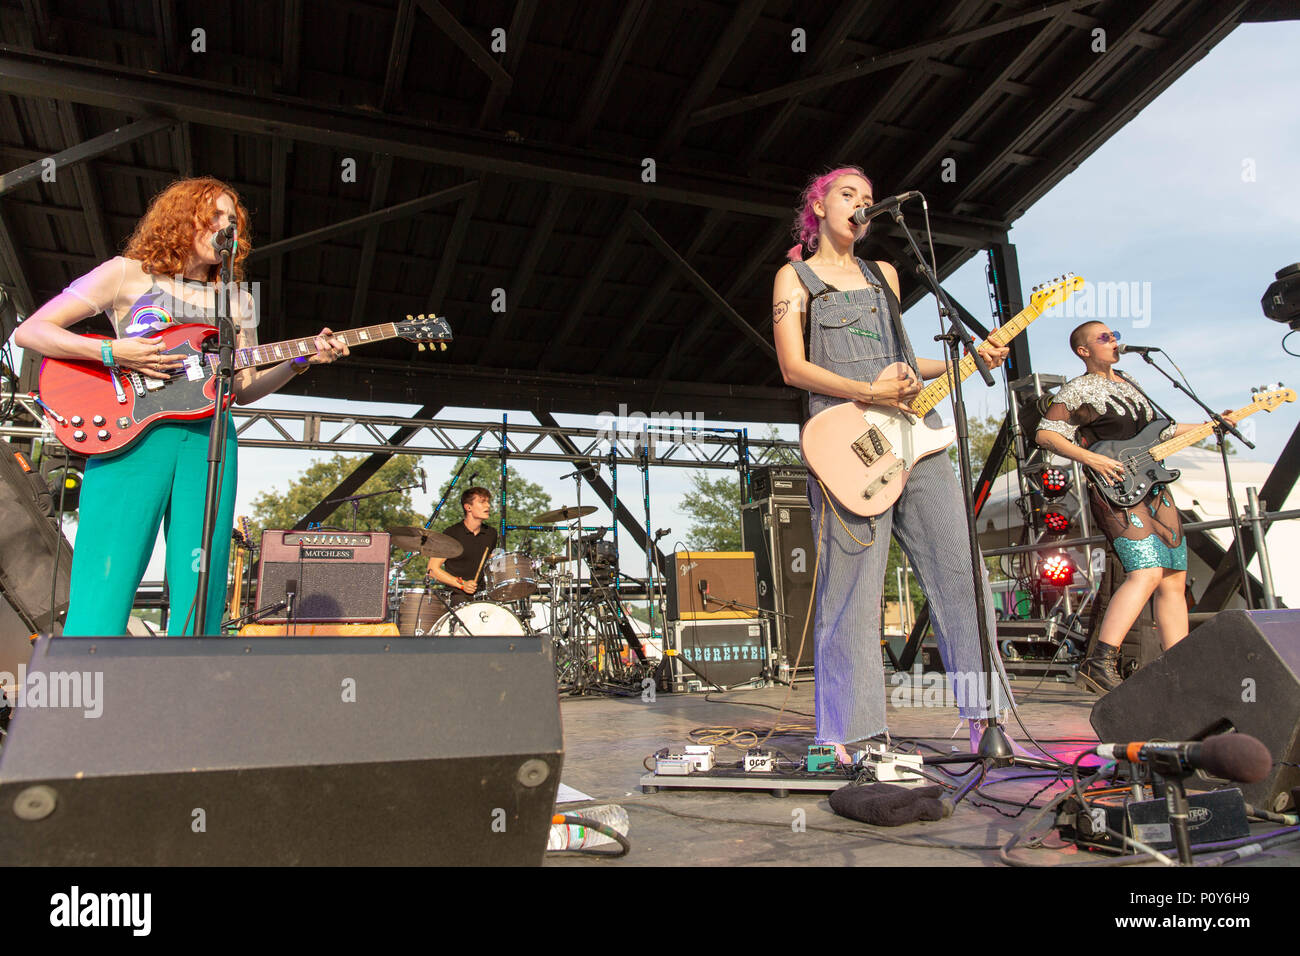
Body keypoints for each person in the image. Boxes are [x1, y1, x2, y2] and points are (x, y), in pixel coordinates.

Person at [15, 176, 348, 635]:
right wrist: (114, 351)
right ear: (180, 217)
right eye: (215, 216)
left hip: (210, 439)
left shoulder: (238, 299)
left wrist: (300, 360)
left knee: (203, 578)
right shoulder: (125, 273)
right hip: (131, 438)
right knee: (108, 571)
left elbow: (245, 388)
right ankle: (85, 686)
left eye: (233, 220)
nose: (226, 227)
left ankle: (191, 684)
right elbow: (31, 331)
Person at [771, 166, 1012, 757]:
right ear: (819, 206)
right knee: (853, 589)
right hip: (848, 444)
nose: (861, 204)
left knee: (962, 572)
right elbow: (793, 369)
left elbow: (904, 358)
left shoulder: (885, 275)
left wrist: (966, 357)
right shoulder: (793, 278)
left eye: (869, 198)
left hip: (917, 438)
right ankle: (849, 733)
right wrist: (869, 394)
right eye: (847, 195)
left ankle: (989, 720)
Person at [1035, 321, 1232, 693]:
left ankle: (1181, 669)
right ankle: (1099, 662)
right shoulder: (1079, 389)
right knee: (1145, 572)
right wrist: (1090, 460)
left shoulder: (1131, 382)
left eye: (1114, 335)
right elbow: (1045, 433)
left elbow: (1165, 431)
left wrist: (1212, 425)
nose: (1114, 341)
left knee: (1173, 576)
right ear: (1084, 351)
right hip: (1115, 486)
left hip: (1153, 485)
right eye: (1103, 338)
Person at [427, 487, 497, 605]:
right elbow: (432, 570)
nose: (488, 506)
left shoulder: (491, 534)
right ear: (468, 507)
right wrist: (462, 584)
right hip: (456, 594)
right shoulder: (451, 533)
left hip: (482, 594)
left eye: (488, 502)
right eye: (482, 502)